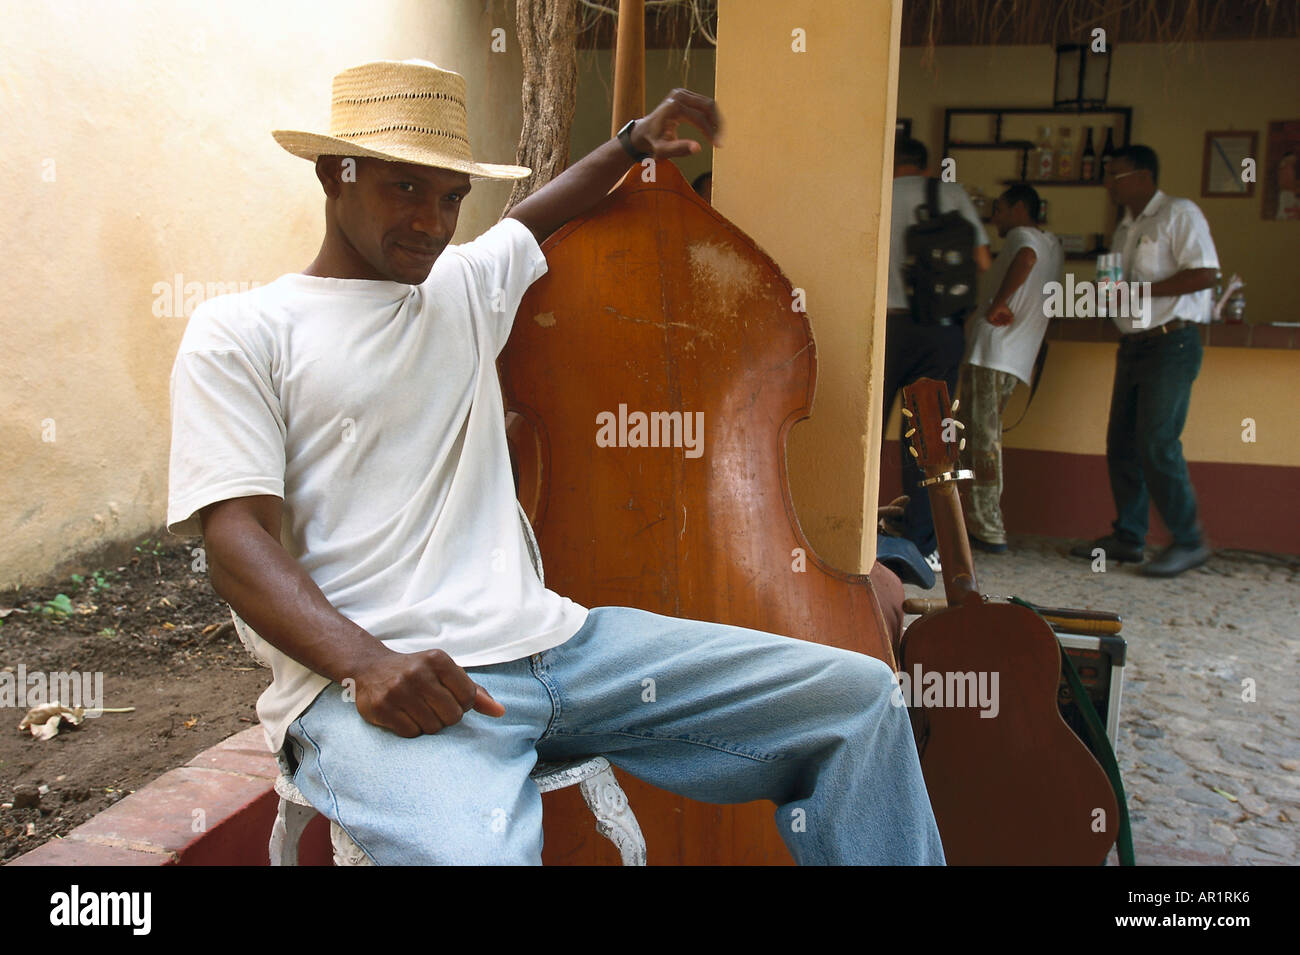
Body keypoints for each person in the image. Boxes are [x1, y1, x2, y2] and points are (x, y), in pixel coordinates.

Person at [165, 59, 943, 865]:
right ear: (336, 172)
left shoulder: (460, 288)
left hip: (562, 650)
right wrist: (365, 661)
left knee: (856, 700)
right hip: (385, 687)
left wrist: (633, 143)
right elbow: (235, 539)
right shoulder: (242, 330)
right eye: (405, 189)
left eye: (451, 197)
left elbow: (537, 216)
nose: (433, 223)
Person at [1070, 145, 1218, 577]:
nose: (1107, 182)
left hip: (1171, 344)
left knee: (1157, 442)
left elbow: (1206, 272)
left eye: (1113, 174)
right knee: (1121, 444)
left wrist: (1139, 292)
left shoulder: (1178, 213)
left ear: (1141, 176)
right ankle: (1129, 537)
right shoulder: (1126, 226)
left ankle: (1189, 541)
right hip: (1134, 345)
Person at [883, 137, 991, 570]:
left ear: (890, 162)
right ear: (925, 165)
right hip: (940, 329)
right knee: (929, 435)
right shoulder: (949, 192)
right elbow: (981, 260)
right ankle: (926, 544)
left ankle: (852, 533)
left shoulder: (874, 193)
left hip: (884, 328)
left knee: (866, 433)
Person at [957, 184, 1062, 553]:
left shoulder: (1023, 238)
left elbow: (1026, 260)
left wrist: (997, 303)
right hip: (1013, 356)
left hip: (992, 353)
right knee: (982, 436)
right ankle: (977, 523)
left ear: (1019, 208)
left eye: (999, 208)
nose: (994, 216)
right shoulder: (1054, 244)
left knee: (980, 439)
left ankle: (987, 528)